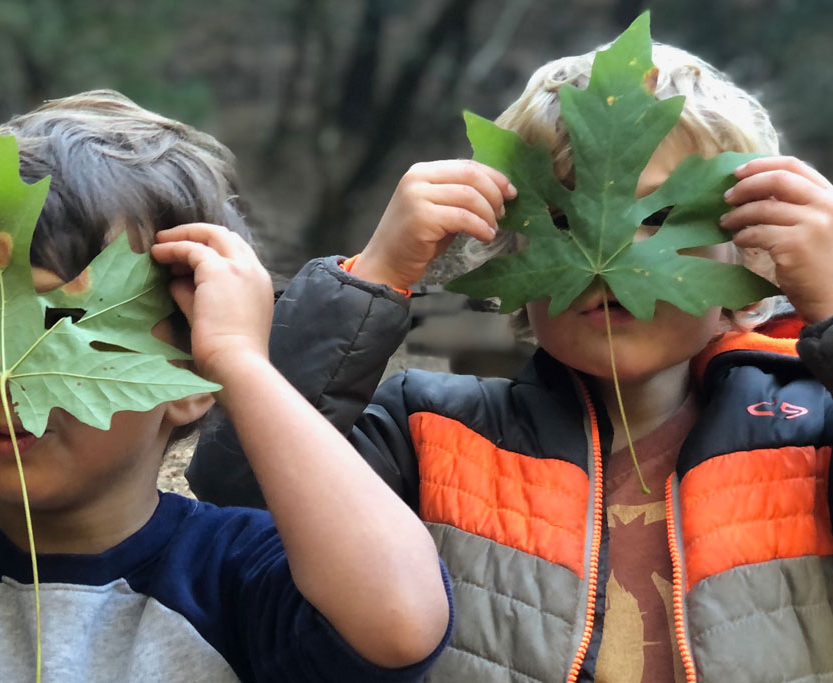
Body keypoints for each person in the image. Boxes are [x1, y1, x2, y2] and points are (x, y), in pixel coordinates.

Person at [187, 39, 833, 682]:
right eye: (559, 214)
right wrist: (377, 274)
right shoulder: (428, 429)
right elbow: (241, 488)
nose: (609, 252)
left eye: (661, 216)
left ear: (748, 251)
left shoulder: (810, 430)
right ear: (512, 250)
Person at [0, 91, 452, 682]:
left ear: (189, 380)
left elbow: (401, 622)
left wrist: (244, 365)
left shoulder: (234, 581)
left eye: (62, 323)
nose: (5, 366)